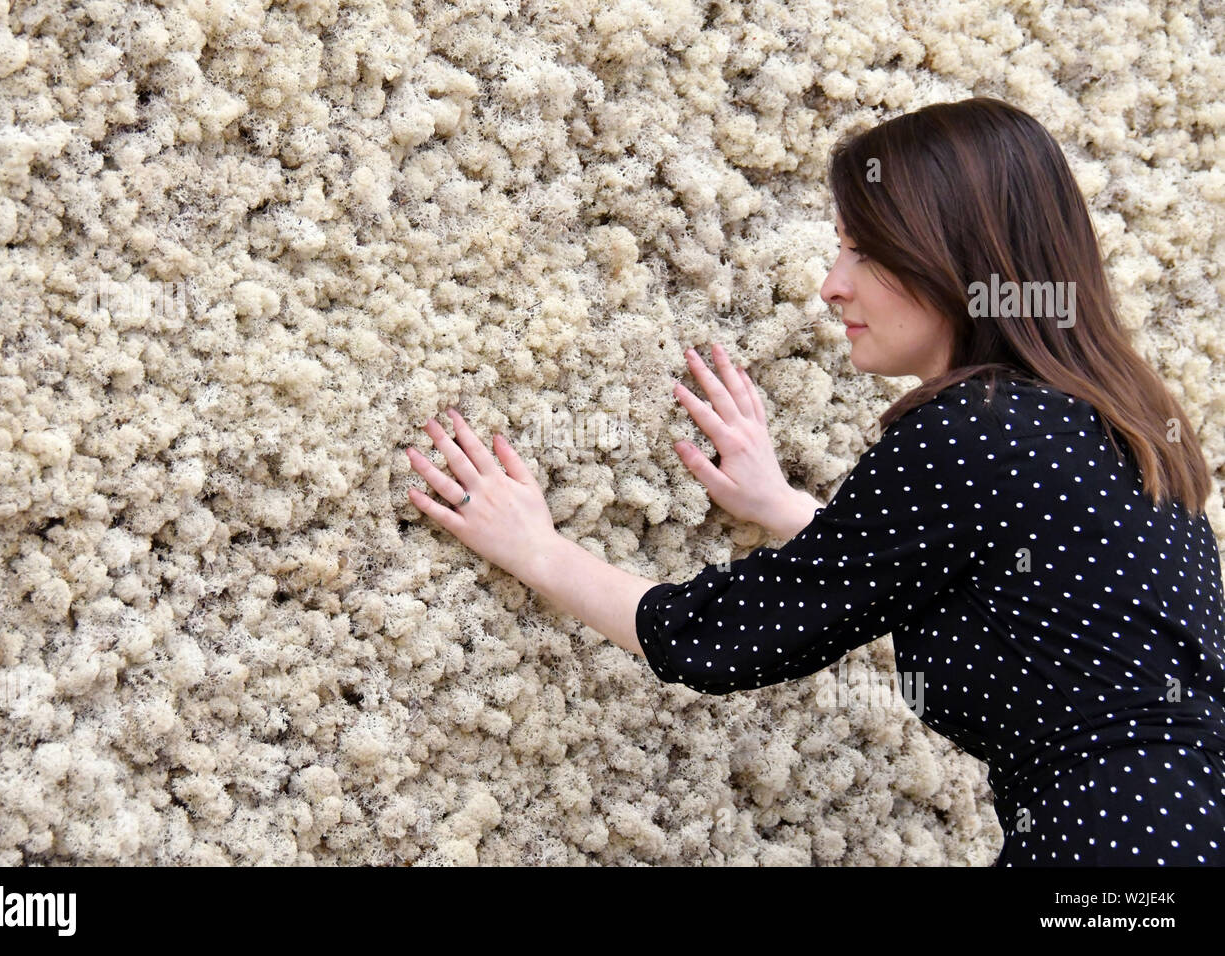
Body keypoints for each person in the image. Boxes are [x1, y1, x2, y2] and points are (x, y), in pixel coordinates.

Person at [403, 97, 1225, 866]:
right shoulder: (1122, 431)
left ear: (959, 255)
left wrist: (537, 551)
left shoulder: (972, 428)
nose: (833, 284)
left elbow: (720, 640)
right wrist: (789, 511)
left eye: (862, 251)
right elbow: (988, 591)